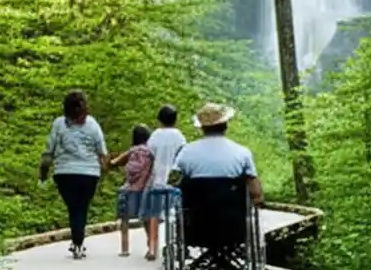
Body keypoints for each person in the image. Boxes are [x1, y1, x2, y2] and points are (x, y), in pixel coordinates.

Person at [39, 90, 108, 259]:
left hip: (65, 174)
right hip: (89, 174)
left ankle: (77, 241)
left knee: (73, 207)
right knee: (82, 207)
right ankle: (78, 242)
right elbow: (102, 152)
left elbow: (49, 152)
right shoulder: (92, 124)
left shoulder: (59, 124)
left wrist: (43, 173)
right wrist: (103, 170)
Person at [171, 103, 263, 207]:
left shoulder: (186, 152)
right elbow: (256, 191)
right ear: (225, 126)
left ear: (202, 128)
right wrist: (257, 199)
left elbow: (174, 178)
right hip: (232, 215)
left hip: (197, 215)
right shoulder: (242, 152)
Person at [141, 105, 187, 261]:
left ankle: (153, 249)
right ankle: (177, 245)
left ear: (159, 119)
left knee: (154, 215)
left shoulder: (154, 136)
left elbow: (149, 158)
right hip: (174, 182)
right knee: (175, 214)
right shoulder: (180, 136)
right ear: (175, 119)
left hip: (157, 180)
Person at [111, 124, 154, 259]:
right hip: (146, 188)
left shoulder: (131, 151)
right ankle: (150, 246)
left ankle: (125, 248)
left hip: (130, 188)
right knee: (147, 218)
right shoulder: (150, 152)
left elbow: (115, 162)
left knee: (125, 218)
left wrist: (110, 161)